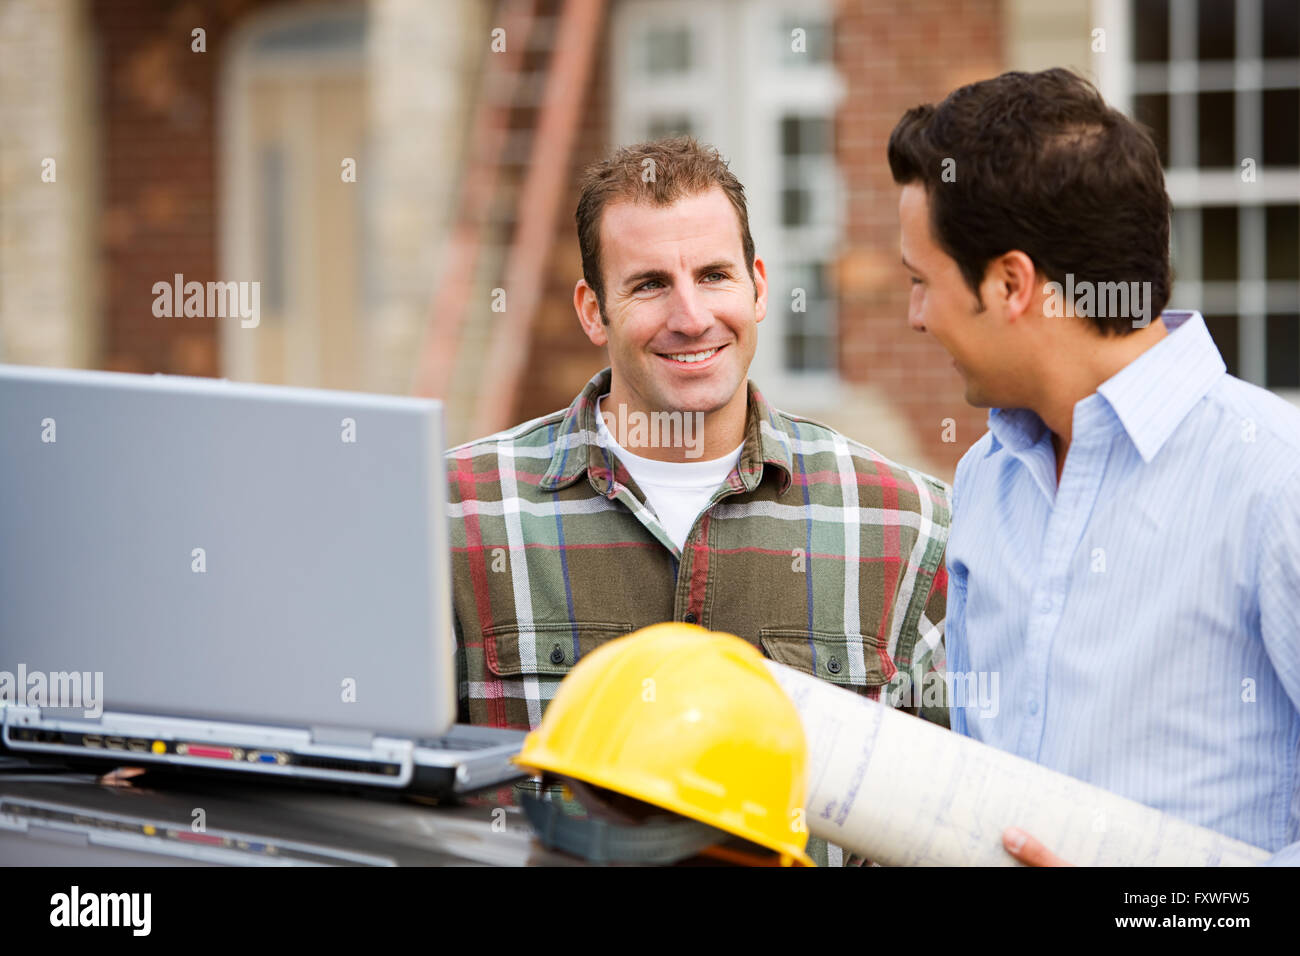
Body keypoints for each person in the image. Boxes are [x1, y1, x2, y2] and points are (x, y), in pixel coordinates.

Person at [447, 138, 951, 864]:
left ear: (759, 287)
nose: (691, 317)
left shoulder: (905, 523)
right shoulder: (459, 516)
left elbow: (942, 826)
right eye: (650, 284)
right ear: (593, 311)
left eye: (714, 275)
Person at [890, 68, 1300, 865]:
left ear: (1011, 284)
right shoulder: (985, 480)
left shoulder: (1275, 479)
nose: (914, 318)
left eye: (920, 282)